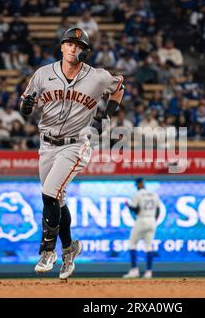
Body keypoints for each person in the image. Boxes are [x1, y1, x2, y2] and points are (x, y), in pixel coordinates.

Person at [20, 27, 124, 279]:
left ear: (85, 52)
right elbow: (25, 107)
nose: (73, 48)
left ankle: (47, 250)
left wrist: (105, 114)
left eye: (79, 45)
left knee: (48, 194)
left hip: (76, 144)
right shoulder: (43, 74)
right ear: (62, 47)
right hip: (46, 144)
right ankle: (69, 249)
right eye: (69, 43)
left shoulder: (97, 77)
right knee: (56, 200)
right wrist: (26, 106)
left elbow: (119, 85)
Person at [123, 178, 161, 279]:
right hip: (152, 220)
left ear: (139, 184)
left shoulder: (138, 194)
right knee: (148, 247)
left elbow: (136, 209)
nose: (137, 186)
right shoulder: (154, 194)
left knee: (132, 244)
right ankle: (149, 272)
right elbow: (158, 210)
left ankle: (134, 270)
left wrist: (128, 205)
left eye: (137, 185)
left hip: (142, 219)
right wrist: (154, 220)